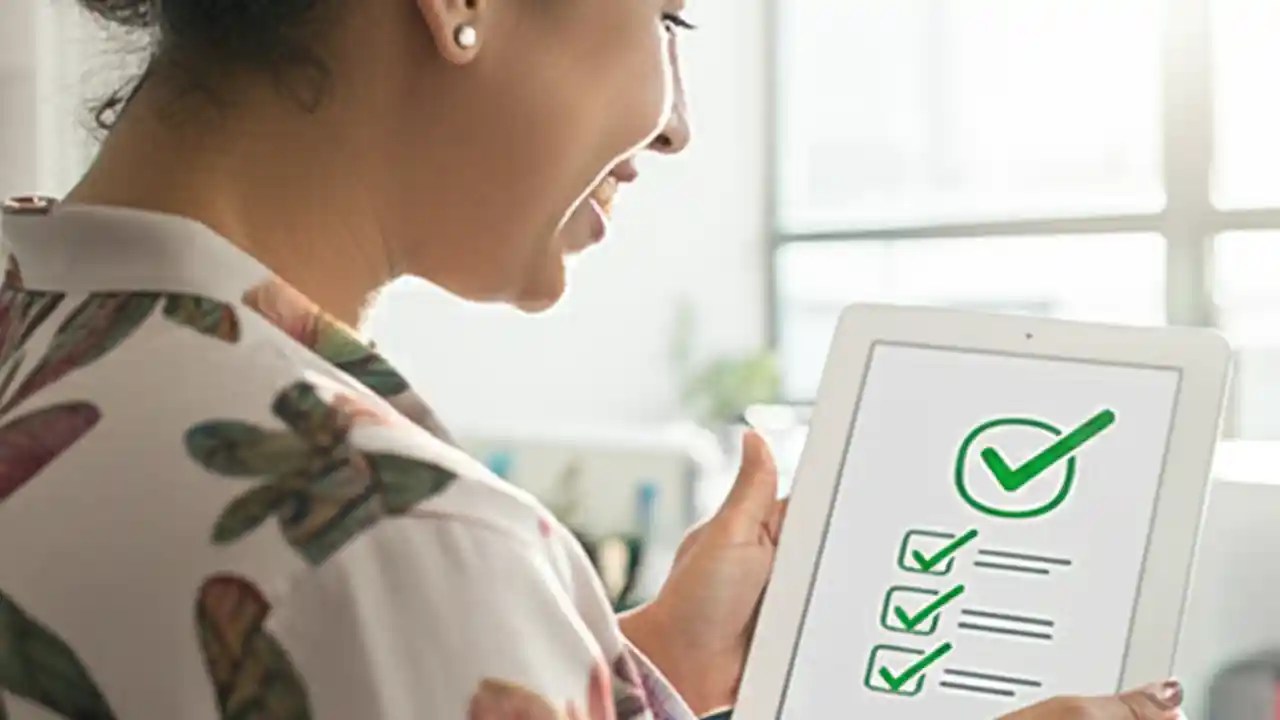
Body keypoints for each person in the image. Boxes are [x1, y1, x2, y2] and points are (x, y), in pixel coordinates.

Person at [0, 0, 1185, 718]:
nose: (676, 122)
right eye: (665, 19)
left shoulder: (40, 328)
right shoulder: (391, 539)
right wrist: (493, 611)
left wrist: (627, 662)